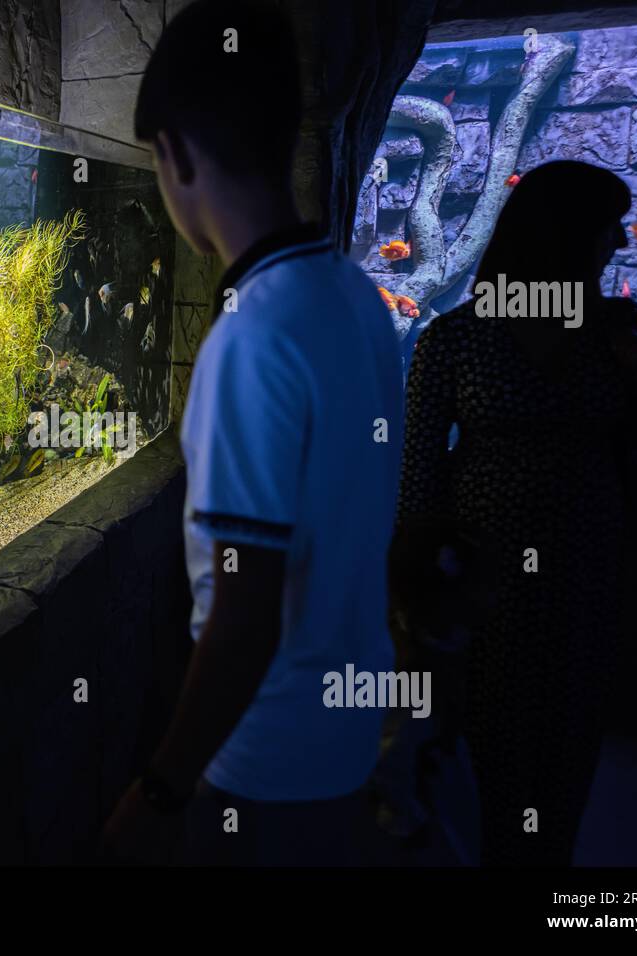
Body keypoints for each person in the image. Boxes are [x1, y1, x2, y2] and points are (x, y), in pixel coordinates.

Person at [101, 0, 404, 865]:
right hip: (344, 737)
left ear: (176, 154)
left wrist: (160, 787)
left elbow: (245, 614)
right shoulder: (356, 297)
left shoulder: (250, 337)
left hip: (264, 765)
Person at [393, 160, 637, 866]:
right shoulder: (453, 339)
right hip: (482, 587)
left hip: (583, 579)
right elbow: (420, 478)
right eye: (606, 225)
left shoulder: (614, 328)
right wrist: (414, 609)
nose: (617, 240)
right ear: (566, 234)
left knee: (562, 746)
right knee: (478, 751)